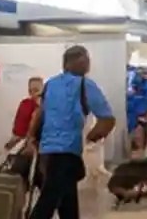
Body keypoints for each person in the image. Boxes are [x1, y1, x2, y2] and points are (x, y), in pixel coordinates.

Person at [27, 46, 116, 219]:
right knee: (48, 200)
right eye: (86, 60)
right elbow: (107, 118)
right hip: (67, 152)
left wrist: (31, 137)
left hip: (47, 151)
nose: (89, 65)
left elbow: (39, 114)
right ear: (74, 63)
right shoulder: (85, 85)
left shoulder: (50, 84)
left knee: (67, 200)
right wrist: (93, 136)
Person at [8, 77, 44, 152]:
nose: (36, 93)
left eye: (37, 90)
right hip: (24, 140)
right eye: (32, 91)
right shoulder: (33, 106)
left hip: (18, 139)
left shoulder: (25, 103)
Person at [126, 68, 147, 156]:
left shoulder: (146, 88)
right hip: (134, 119)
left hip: (140, 119)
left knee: (138, 141)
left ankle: (139, 152)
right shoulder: (132, 92)